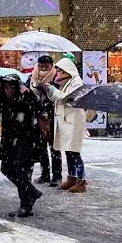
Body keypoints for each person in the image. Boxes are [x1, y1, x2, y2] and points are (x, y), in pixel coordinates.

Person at [0, 75, 43, 217]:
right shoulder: (4, 99)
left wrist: (27, 92)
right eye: (6, 88)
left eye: (11, 87)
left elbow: (38, 108)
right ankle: (31, 193)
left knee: (21, 172)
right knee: (6, 168)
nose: (9, 91)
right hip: (9, 141)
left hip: (26, 141)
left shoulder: (25, 98)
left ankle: (26, 204)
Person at [40, 57, 88, 192]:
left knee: (74, 151)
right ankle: (72, 177)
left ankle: (81, 180)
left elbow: (67, 98)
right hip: (65, 121)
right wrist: (49, 91)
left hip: (73, 121)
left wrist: (54, 91)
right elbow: (58, 99)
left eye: (61, 70)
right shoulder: (66, 83)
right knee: (68, 150)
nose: (58, 73)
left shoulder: (77, 82)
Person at [28, 55, 61, 186]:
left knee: (54, 147)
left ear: (51, 66)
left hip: (52, 115)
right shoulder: (33, 76)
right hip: (38, 115)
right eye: (41, 66)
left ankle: (57, 176)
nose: (43, 69)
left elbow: (57, 96)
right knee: (41, 148)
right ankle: (45, 174)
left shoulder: (56, 77)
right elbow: (29, 95)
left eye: (46, 67)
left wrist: (46, 89)